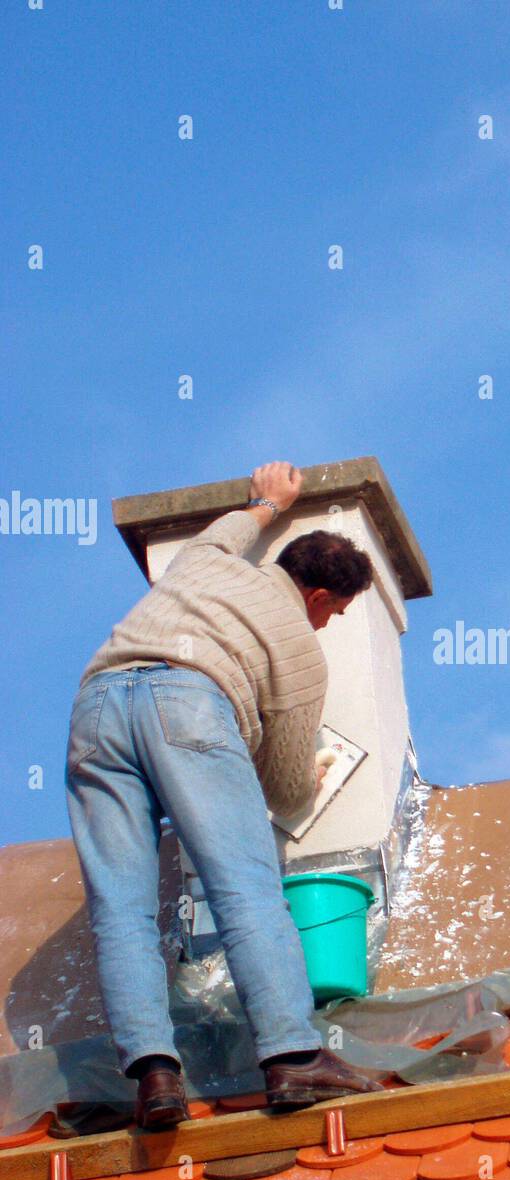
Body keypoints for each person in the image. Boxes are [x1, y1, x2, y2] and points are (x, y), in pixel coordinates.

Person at [66, 462, 383, 1129]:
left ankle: (155, 1077)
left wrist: (267, 504)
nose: (329, 625)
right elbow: (284, 786)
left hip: (96, 707)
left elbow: (227, 531)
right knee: (247, 889)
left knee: (120, 912)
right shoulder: (301, 648)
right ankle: (293, 1060)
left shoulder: (206, 563)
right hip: (192, 704)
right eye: (337, 614)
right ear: (321, 598)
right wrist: (311, 777)